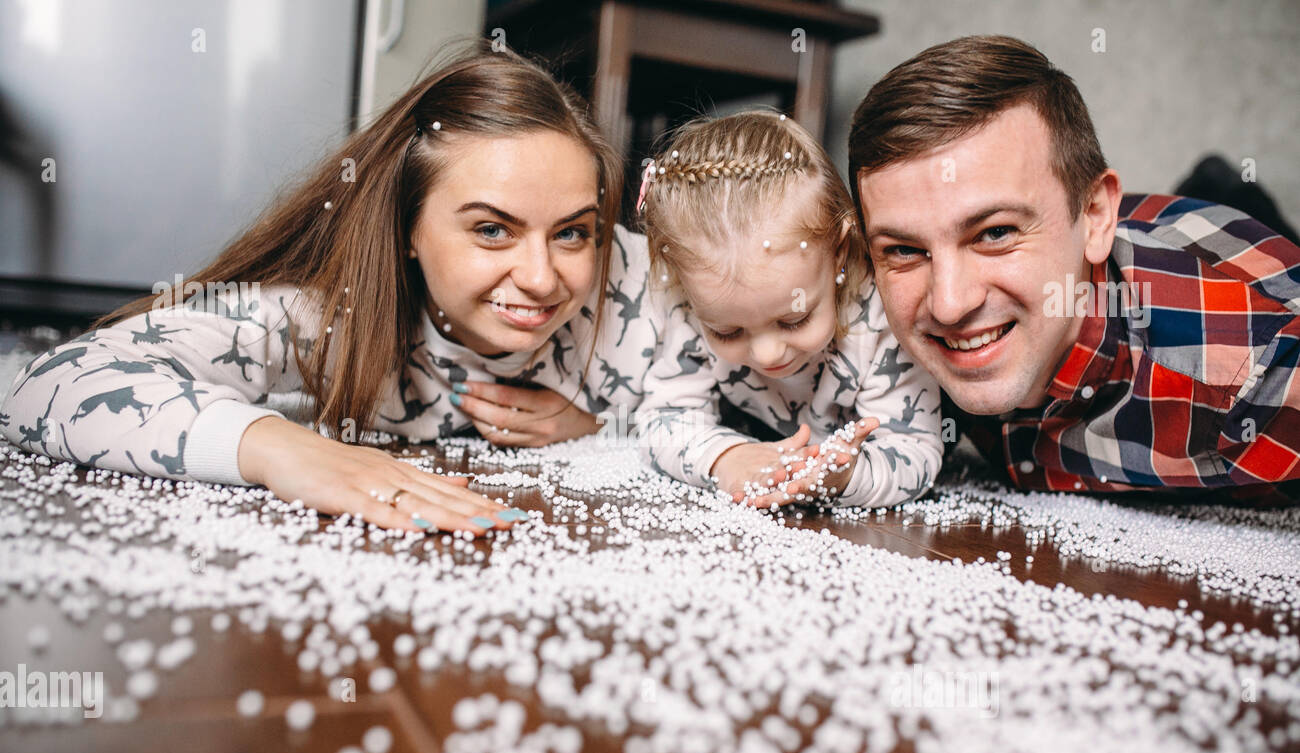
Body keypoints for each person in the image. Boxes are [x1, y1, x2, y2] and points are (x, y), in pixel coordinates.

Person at [1, 47, 662, 534]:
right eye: (492, 230)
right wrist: (276, 448)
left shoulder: (636, 284)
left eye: (574, 233)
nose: (543, 277)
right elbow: (51, 382)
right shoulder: (325, 317)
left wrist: (604, 426)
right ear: (406, 227)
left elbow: (756, 391)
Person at [849, 35, 1300, 504]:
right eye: (904, 249)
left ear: (1094, 215)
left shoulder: (1256, 365)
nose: (949, 304)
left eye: (995, 233)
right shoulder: (871, 330)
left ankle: (1224, 189)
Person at [633, 110, 942, 510]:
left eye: (794, 319)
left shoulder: (882, 318)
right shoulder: (690, 305)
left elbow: (916, 450)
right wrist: (726, 457)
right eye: (727, 332)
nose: (767, 354)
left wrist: (847, 475)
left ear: (839, 254)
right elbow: (661, 421)